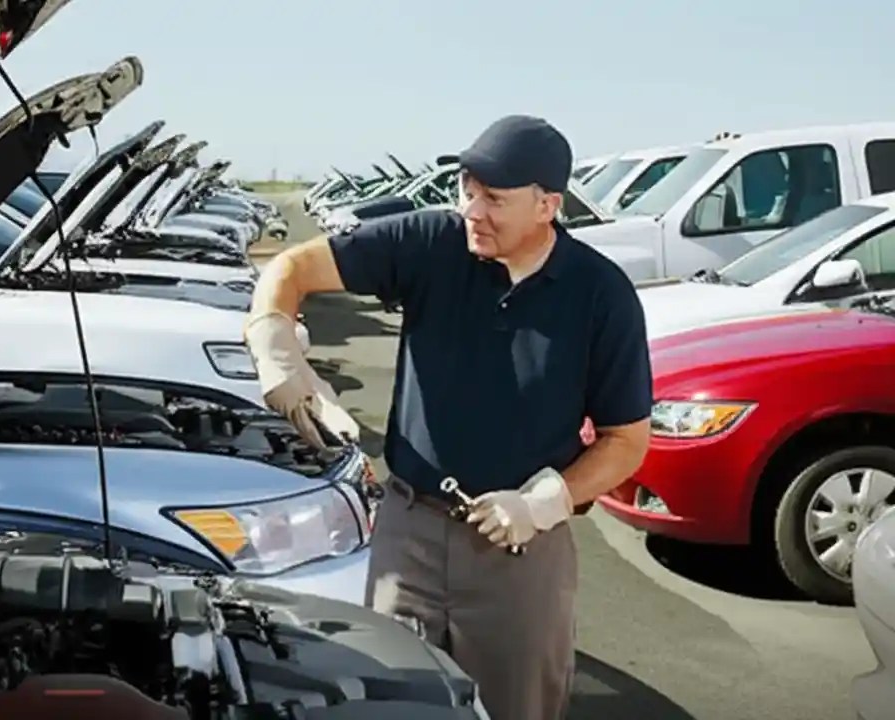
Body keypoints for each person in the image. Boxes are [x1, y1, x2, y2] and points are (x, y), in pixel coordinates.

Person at [242, 115, 652, 720]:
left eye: (494, 198)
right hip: (408, 535)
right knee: (390, 702)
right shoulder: (432, 243)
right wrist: (275, 346)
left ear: (547, 206)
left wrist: (545, 502)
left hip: (518, 551)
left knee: (517, 706)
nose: (471, 211)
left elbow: (626, 441)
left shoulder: (600, 294)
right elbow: (291, 268)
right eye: (466, 189)